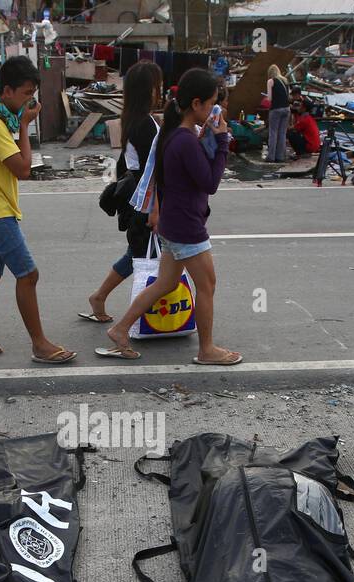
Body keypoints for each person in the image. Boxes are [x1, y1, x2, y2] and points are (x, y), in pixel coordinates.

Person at [99, 68, 240, 366]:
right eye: (212, 103)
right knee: (207, 286)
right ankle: (207, 350)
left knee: (165, 283)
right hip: (186, 226)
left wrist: (208, 139)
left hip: (173, 223)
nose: (216, 109)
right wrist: (222, 140)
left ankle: (120, 328)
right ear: (197, 103)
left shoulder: (175, 134)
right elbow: (210, 183)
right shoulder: (184, 140)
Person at [0, 56, 74, 364]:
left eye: (32, 94)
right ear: (6, 91)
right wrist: (25, 125)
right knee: (28, 274)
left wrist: (21, 121)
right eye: (25, 94)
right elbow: (23, 169)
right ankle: (40, 344)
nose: (29, 101)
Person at [80, 60, 163, 324]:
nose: (159, 92)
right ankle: (133, 319)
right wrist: (156, 207)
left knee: (140, 253)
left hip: (139, 198)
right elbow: (154, 168)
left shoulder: (134, 120)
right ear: (147, 90)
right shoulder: (145, 125)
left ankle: (101, 297)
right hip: (146, 200)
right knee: (146, 255)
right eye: (156, 87)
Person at [264, 64, 291, 163]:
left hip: (276, 109)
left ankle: (271, 156)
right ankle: (280, 157)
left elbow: (269, 98)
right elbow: (288, 96)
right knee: (282, 133)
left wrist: (266, 98)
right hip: (286, 109)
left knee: (273, 132)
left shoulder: (270, 81)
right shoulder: (285, 81)